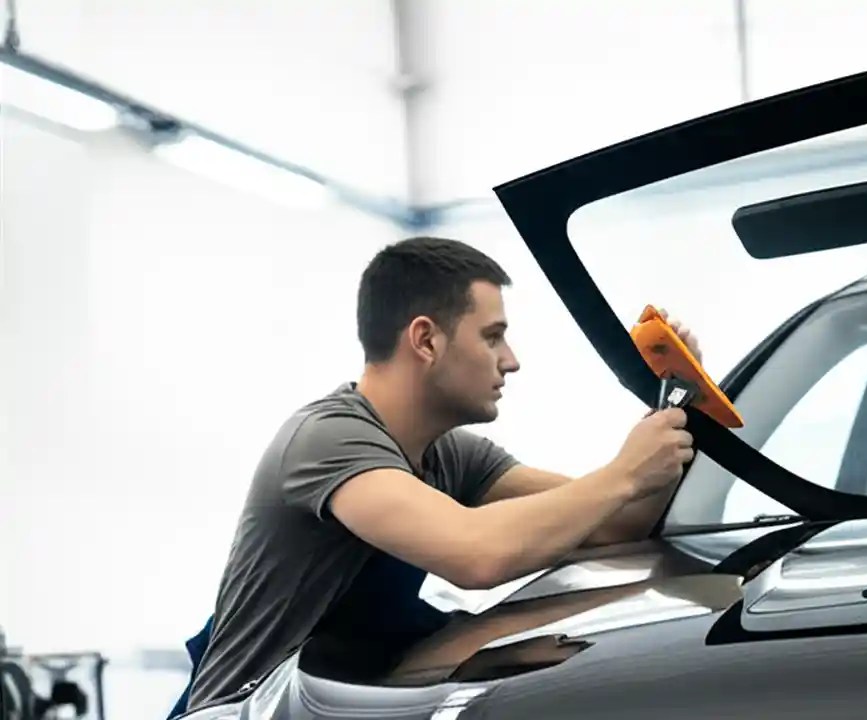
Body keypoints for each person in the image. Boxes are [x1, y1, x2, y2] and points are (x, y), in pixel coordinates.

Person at [177, 236, 698, 712]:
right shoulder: (327, 440)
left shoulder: (448, 454)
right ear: (425, 340)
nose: (511, 361)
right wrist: (625, 471)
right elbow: (477, 553)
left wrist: (674, 405)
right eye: (492, 337)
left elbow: (616, 525)